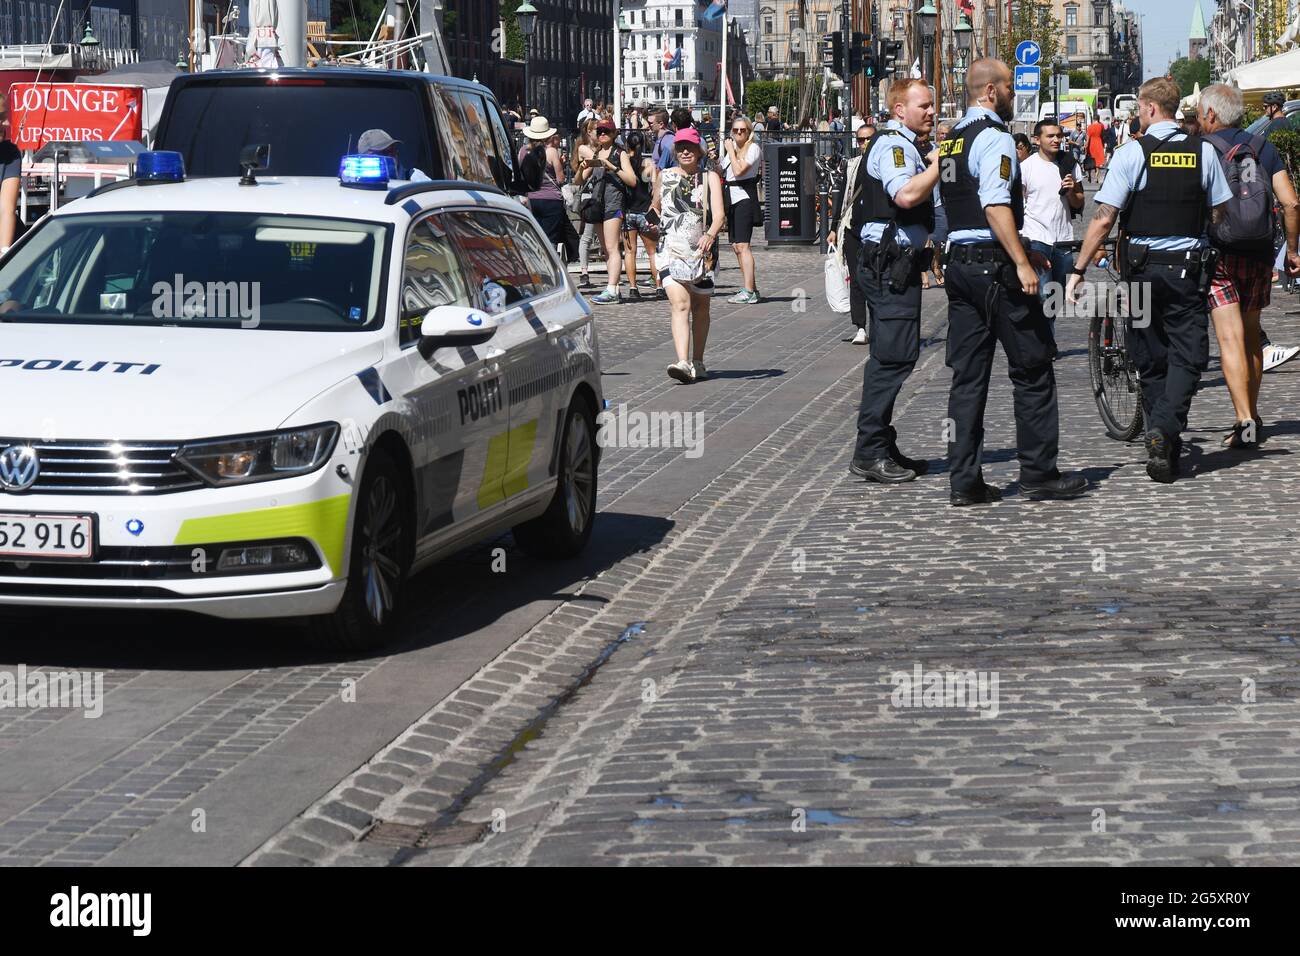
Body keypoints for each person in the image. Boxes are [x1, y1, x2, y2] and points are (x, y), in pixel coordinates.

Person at [1069, 77, 1231, 483]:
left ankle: (1163, 443)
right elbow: (1219, 212)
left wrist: (1078, 269)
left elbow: (1104, 218)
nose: (1138, 114)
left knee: (1151, 356)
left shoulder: (1131, 154)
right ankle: (1164, 430)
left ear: (1151, 108)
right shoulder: (1203, 153)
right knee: (1190, 355)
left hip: (1140, 270)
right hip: (1186, 270)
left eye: (1140, 108)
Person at [940, 59, 1087, 505]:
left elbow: (959, 211)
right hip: (996, 270)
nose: (1011, 94)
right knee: (1033, 367)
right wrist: (1022, 261)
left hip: (961, 267)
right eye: (1007, 87)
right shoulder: (996, 137)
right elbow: (995, 206)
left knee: (967, 378)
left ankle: (964, 480)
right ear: (990, 91)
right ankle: (1039, 472)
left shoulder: (951, 143)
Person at [845, 78, 942, 485]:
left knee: (893, 354)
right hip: (889, 265)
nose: (932, 112)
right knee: (893, 357)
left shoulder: (906, 146)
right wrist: (939, 165)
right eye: (924, 105)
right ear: (900, 109)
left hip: (896, 262)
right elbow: (904, 195)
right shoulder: (895, 146)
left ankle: (881, 442)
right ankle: (869, 450)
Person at [1198, 83, 1300, 447]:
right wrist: (1290, 252)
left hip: (1220, 251)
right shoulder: (1263, 146)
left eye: (1199, 113)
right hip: (1258, 251)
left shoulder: (1203, 149)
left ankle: (1245, 420)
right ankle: (1253, 412)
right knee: (1252, 335)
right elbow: (1291, 204)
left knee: (1229, 338)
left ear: (1210, 114)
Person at [653, 127, 724, 384]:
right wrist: (650, 221)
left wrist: (710, 235)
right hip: (670, 249)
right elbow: (655, 207)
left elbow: (719, 215)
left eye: (690, 147)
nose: (685, 151)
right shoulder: (665, 175)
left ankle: (698, 359)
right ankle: (682, 362)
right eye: (681, 147)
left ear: (699, 151)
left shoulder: (710, 178)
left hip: (702, 252)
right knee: (680, 304)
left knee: (700, 307)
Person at [1021, 118, 1084, 335]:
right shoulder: (1026, 167)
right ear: (1037, 140)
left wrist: (1071, 190)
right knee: (1043, 295)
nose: (1057, 140)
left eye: (1059, 136)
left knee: (1057, 295)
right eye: (1051, 136)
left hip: (1063, 238)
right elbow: (1018, 206)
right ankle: (1045, 343)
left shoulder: (1069, 163)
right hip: (1037, 237)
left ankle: (1045, 336)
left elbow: (1079, 202)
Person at [576, 119, 637, 304]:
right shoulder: (596, 152)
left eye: (606, 131)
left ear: (613, 133)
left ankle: (611, 288)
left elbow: (632, 180)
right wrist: (581, 168)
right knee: (606, 250)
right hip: (598, 203)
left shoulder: (620, 153)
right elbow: (580, 180)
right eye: (599, 131)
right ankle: (614, 288)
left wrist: (612, 167)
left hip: (614, 203)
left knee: (612, 248)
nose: (602, 134)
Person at [828, 123, 875, 344]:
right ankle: (860, 327)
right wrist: (833, 228)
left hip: (876, 231)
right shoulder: (852, 165)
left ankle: (878, 324)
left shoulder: (881, 164)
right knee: (856, 279)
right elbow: (842, 198)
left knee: (875, 278)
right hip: (852, 227)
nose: (864, 144)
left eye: (868, 139)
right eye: (860, 140)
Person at [720, 114, 762, 304]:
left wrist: (730, 150)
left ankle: (749, 290)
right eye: (735, 130)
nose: (738, 134)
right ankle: (750, 286)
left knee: (744, 246)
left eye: (742, 130)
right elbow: (723, 170)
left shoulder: (752, 149)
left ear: (749, 132)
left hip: (745, 197)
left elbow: (739, 171)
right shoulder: (733, 150)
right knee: (736, 246)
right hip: (732, 198)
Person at [621, 131, 661, 301]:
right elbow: (656, 188)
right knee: (653, 252)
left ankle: (633, 287)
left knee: (630, 252)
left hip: (628, 211)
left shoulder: (624, 164)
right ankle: (659, 286)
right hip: (645, 210)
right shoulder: (648, 164)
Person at [570, 119, 603, 288]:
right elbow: (598, 161)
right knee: (588, 236)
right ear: (589, 132)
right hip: (590, 195)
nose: (600, 133)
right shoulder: (584, 148)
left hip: (603, 194)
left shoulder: (601, 147)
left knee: (606, 237)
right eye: (598, 130)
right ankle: (584, 271)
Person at [357, 128, 430, 181]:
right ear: (368, 156)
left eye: (393, 150)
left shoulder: (414, 177)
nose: (391, 155)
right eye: (384, 152)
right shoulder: (351, 188)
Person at [0, 93, 19, 255]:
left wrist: (4, 252)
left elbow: (6, 208)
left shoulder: (10, 153)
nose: (6, 123)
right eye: (0, 117)